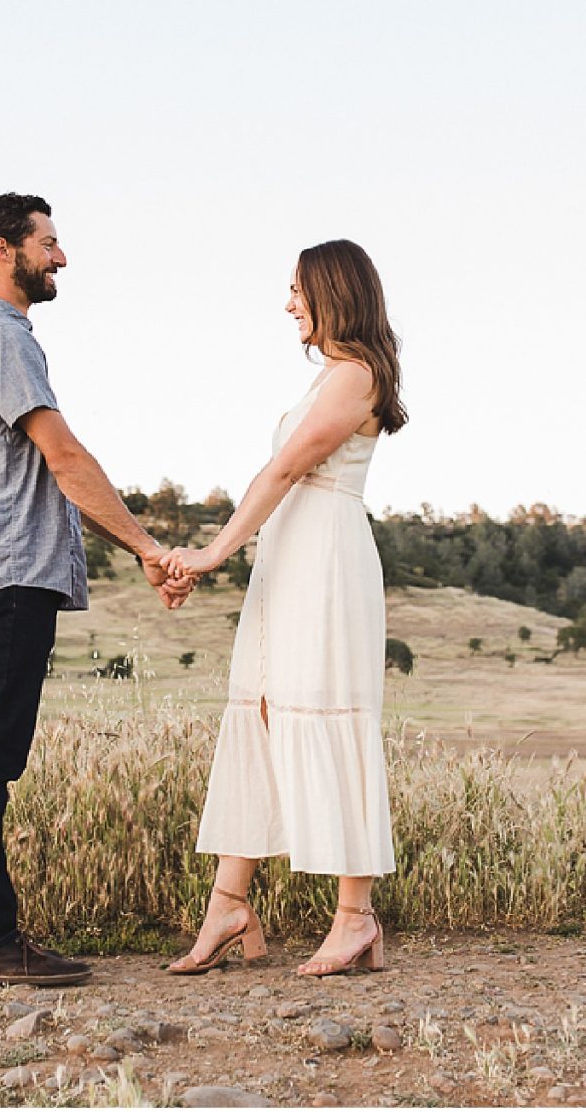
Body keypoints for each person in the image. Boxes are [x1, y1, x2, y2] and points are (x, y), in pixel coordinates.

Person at [0, 192, 194, 989]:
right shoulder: (0, 338)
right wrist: (148, 547)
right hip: (11, 570)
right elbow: (66, 458)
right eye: (49, 242)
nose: (63, 257)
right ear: (6, 250)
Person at [160, 238, 407, 978]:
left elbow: (285, 468)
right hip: (289, 558)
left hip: (326, 558)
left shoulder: (355, 375)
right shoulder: (330, 377)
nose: (288, 301)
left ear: (333, 292)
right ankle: (229, 903)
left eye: (298, 288)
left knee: (328, 715)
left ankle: (356, 916)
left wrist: (210, 554)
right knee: (264, 713)